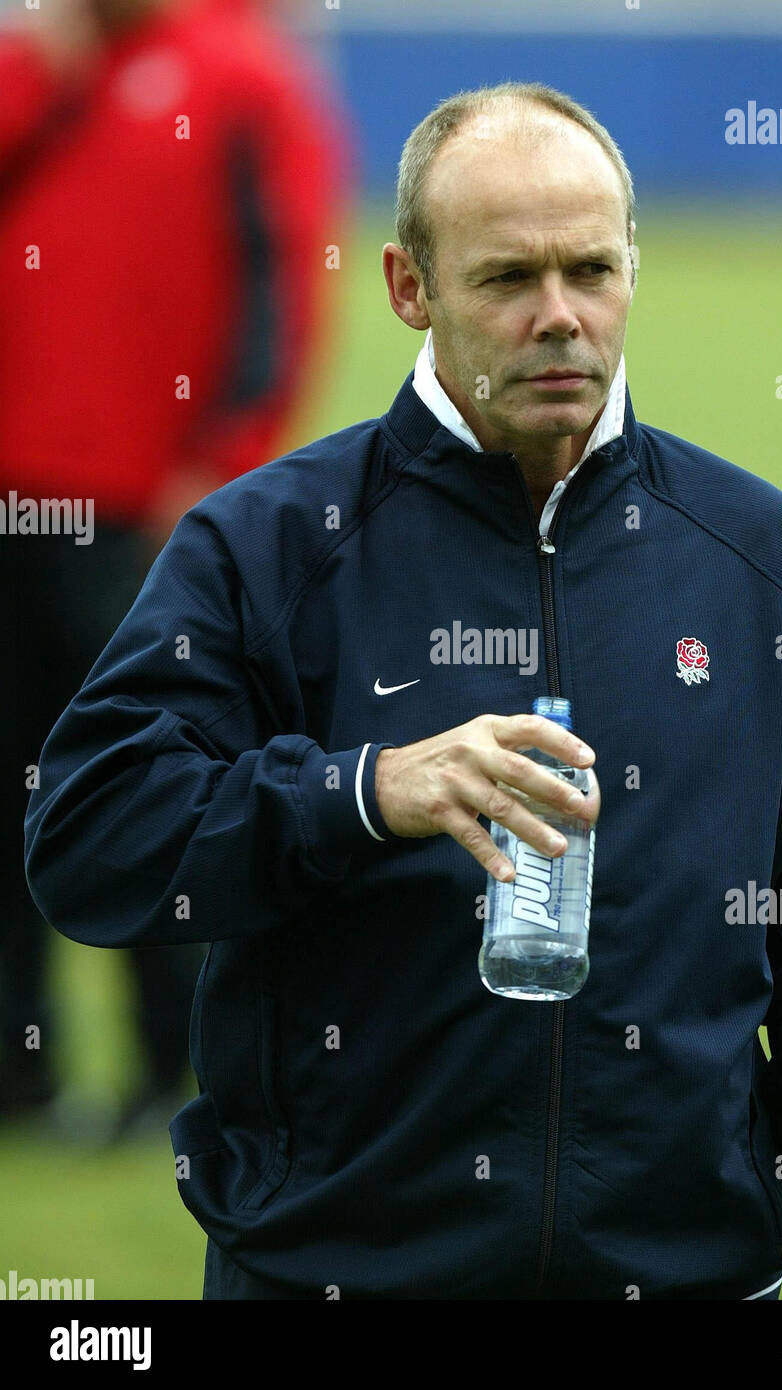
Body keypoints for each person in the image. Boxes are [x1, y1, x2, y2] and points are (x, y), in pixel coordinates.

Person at [24, 82, 782, 1300]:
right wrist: (362, 792)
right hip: (337, 1273)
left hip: (687, 1277)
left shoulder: (758, 557)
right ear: (410, 287)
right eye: (508, 279)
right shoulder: (266, 546)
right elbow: (88, 837)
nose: (559, 318)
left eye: (592, 270)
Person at [0, 0, 352, 1136]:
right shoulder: (28, 67)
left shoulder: (241, 74)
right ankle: (21, 1073)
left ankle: (180, 1081)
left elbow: (283, 282)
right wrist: (38, 79)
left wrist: (222, 465)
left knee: (154, 793)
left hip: (143, 514)